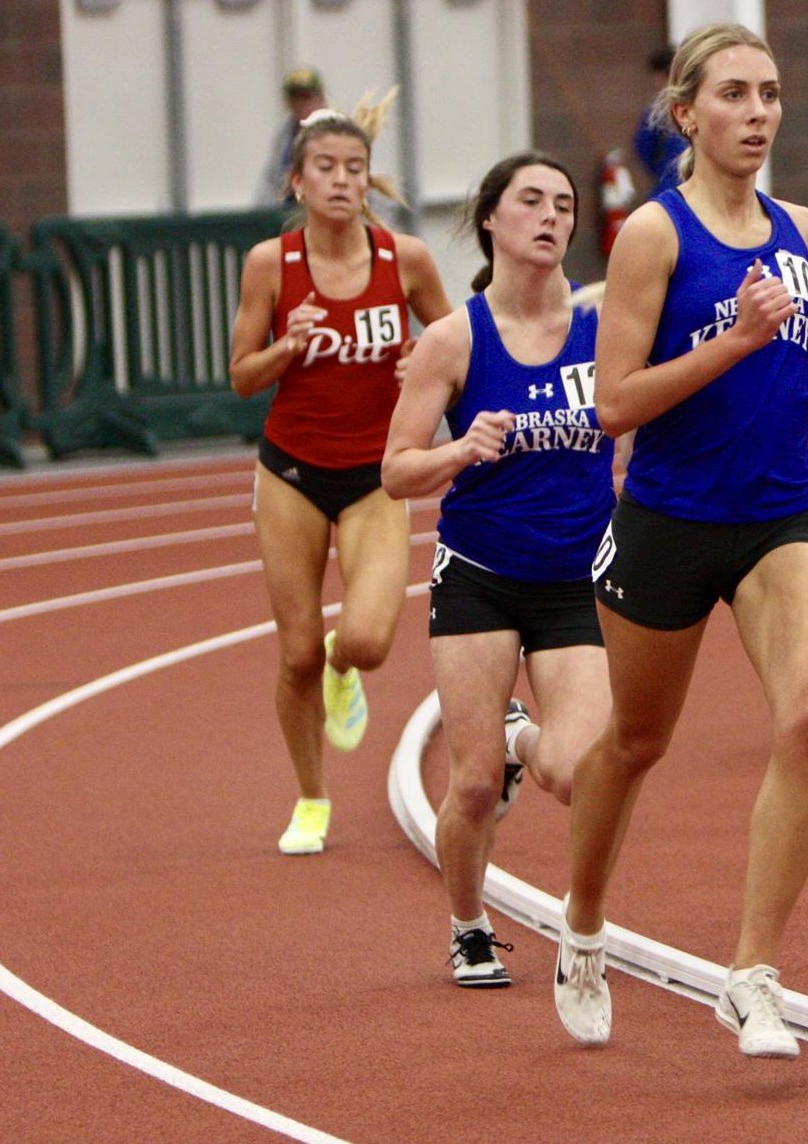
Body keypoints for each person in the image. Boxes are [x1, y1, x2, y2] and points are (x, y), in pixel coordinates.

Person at [552, 22, 808, 1060]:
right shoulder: (652, 234)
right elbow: (611, 406)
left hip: (779, 510)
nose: (757, 114)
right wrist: (735, 340)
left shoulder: (803, 228)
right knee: (635, 743)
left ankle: (752, 974)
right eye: (733, 95)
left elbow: (782, 332)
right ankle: (584, 923)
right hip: (670, 519)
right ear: (686, 113)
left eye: (769, 94)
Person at [381, 152, 615, 988]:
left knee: (574, 771)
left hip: (577, 578)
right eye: (531, 201)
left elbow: (695, 379)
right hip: (479, 572)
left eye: (564, 204)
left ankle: (522, 735)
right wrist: (459, 449)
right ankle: (469, 924)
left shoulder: (607, 320)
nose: (551, 217)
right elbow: (396, 469)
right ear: (491, 219)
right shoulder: (454, 338)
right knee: (473, 787)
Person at [229, 98, 452, 856]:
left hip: (372, 474)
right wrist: (285, 348)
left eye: (353, 169)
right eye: (324, 168)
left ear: (367, 182)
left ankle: (343, 668)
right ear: (296, 182)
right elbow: (240, 377)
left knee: (366, 638)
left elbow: (455, 348)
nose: (340, 181)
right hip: (291, 470)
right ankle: (312, 797)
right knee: (293, 652)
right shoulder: (273, 264)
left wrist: (418, 359)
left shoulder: (406, 260)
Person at [255, 67, 329, 208]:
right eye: (295, 98)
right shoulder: (284, 137)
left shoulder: (338, 132)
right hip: (289, 213)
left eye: (306, 97)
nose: (301, 104)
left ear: (321, 99)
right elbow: (270, 184)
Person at [633, 45, 690, 194]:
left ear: (658, 75)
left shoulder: (657, 111)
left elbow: (643, 146)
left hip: (668, 184)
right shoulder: (696, 103)